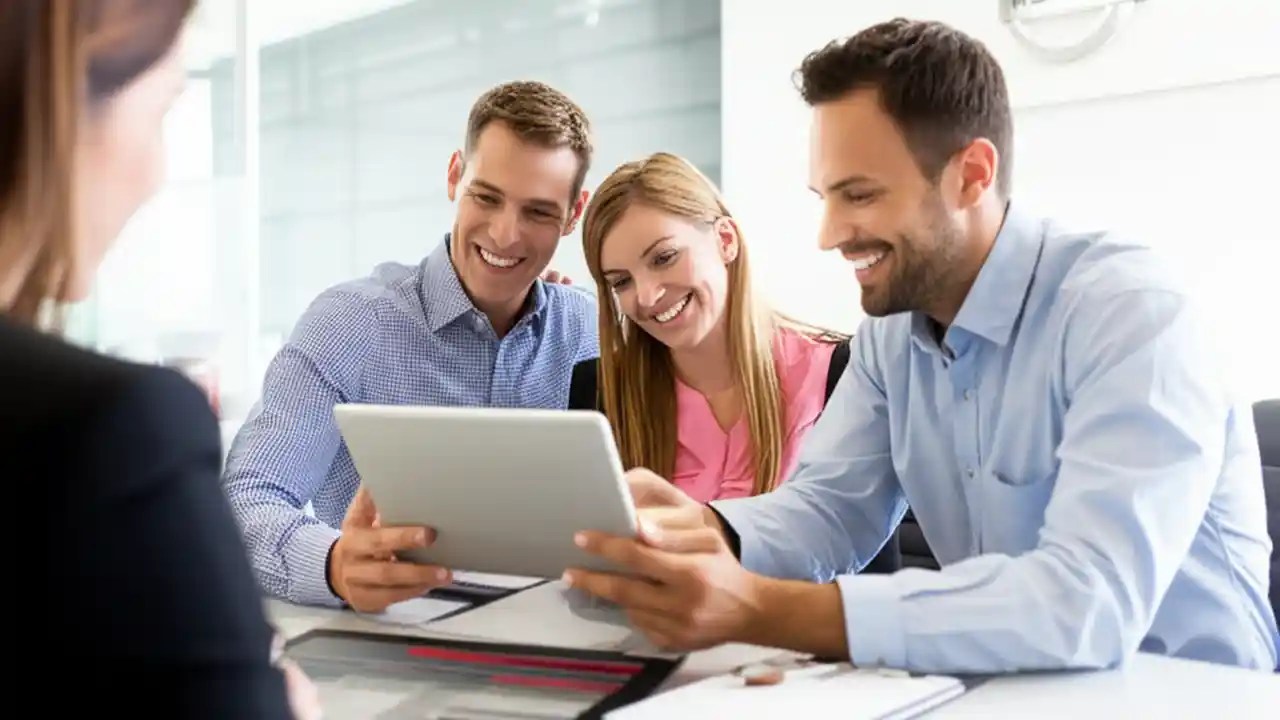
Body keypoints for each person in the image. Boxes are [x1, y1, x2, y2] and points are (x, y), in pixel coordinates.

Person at [563, 18, 1279, 674]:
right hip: (1012, 688)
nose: (830, 233)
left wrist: (759, 607)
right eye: (825, 198)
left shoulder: (1130, 314)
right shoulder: (891, 333)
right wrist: (705, 528)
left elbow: (1085, 600)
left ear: (971, 174)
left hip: (1190, 695)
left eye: (861, 195)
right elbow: (833, 508)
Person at [0, 1, 317, 717]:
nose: (157, 173)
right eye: (166, 109)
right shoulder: (113, 432)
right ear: (61, 96)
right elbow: (257, 498)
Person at [223, 80, 601, 613]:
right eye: (486, 197)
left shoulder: (593, 331)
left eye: (538, 212)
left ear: (573, 213)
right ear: (454, 177)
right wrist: (333, 564)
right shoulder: (350, 324)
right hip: (390, 637)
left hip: (568, 639)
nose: (505, 234)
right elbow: (244, 502)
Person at [568, 152, 900, 573]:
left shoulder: (846, 372)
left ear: (726, 240)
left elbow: (869, 572)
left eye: (664, 257)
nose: (647, 296)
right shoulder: (597, 389)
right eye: (621, 281)